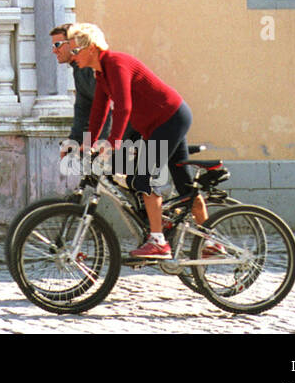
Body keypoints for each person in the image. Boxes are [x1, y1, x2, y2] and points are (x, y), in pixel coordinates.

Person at [66, 22, 207, 259]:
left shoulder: (116, 63)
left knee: (143, 178)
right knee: (184, 186)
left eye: (75, 50)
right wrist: (87, 142)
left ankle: (158, 242)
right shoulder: (100, 73)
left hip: (170, 118)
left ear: (90, 48)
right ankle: (211, 242)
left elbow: (124, 107)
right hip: (158, 124)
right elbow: (99, 111)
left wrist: (113, 142)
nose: (72, 56)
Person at [51, 23, 137, 162]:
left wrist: (100, 143)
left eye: (57, 44)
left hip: (133, 126)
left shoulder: (90, 70)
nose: (54, 51)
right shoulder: (79, 70)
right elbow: (83, 108)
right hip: (120, 130)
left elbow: (106, 109)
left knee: (134, 180)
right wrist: (74, 140)